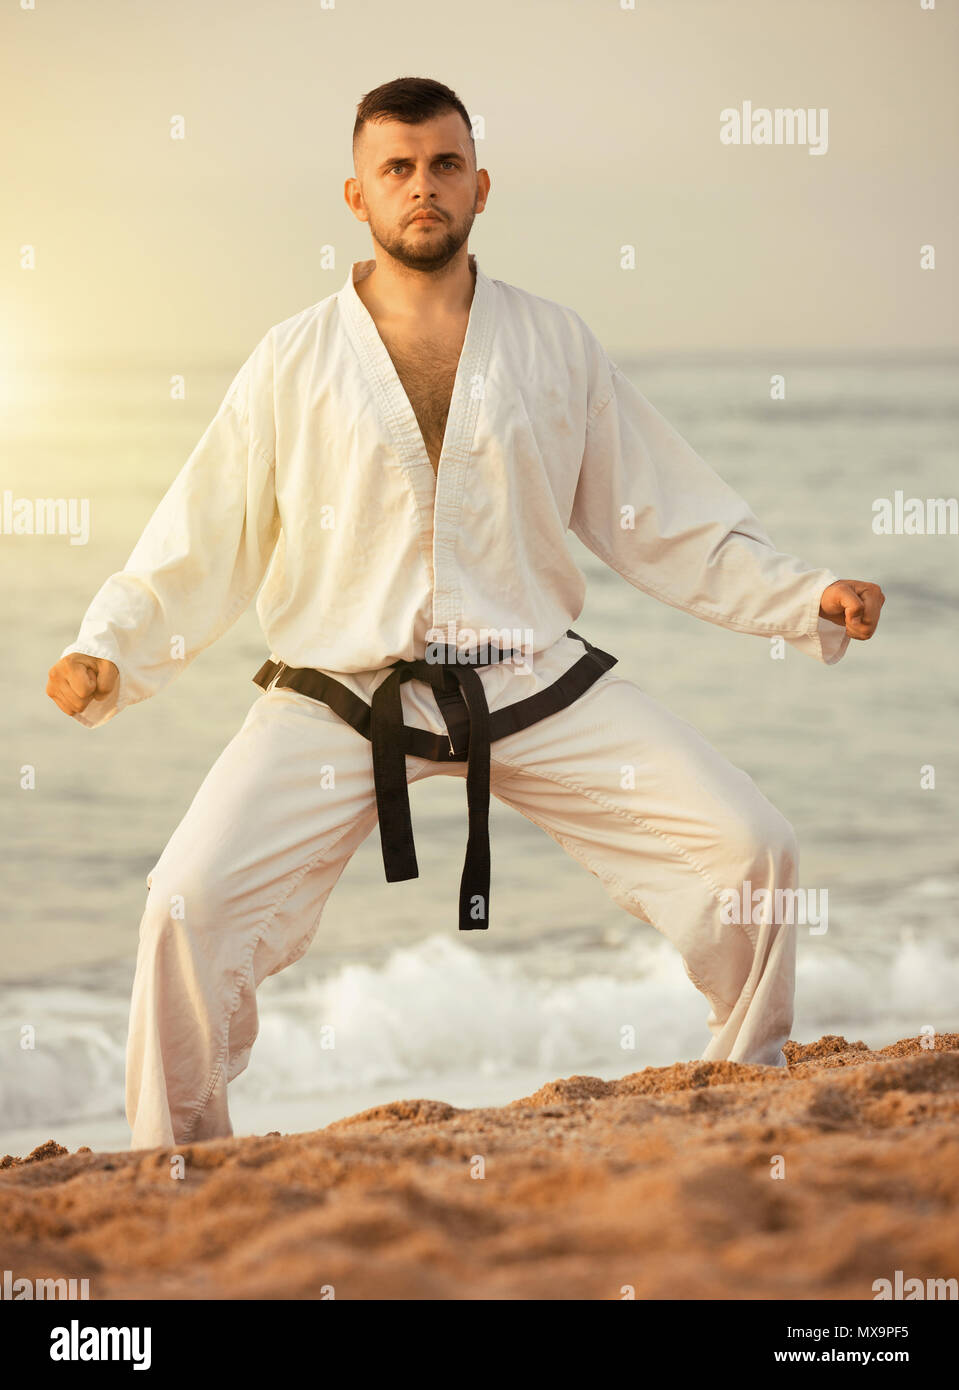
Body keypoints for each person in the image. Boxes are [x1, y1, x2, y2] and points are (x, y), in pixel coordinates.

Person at [46, 77, 885, 1151]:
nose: (421, 187)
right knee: (182, 902)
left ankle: (750, 1099)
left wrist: (800, 593)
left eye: (443, 164)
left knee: (751, 849)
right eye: (396, 168)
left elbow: (657, 516)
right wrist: (105, 649)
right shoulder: (290, 362)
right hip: (340, 697)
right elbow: (198, 541)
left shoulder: (553, 343)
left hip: (530, 679)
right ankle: (176, 1156)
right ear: (355, 195)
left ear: (479, 185)